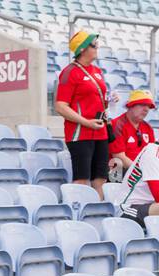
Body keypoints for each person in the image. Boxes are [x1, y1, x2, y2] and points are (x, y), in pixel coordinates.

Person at [55, 30, 118, 198]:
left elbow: (95, 99)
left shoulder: (96, 71)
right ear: (82, 49)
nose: (97, 47)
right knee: (81, 179)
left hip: (100, 132)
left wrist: (110, 99)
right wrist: (85, 122)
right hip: (80, 134)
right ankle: (78, 215)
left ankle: (97, 215)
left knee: (101, 179)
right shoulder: (69, 72)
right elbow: (60, 106)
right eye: (93, 45)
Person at [107, 89, 156, 177]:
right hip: (120, 171)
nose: (146, 109)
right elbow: (119, 157)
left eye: (149, 106)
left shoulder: (148, 128)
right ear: (131, 105)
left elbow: (152, 156)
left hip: (140, 173)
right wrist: (141, 173)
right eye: (142, 104)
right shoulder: (117, 125)